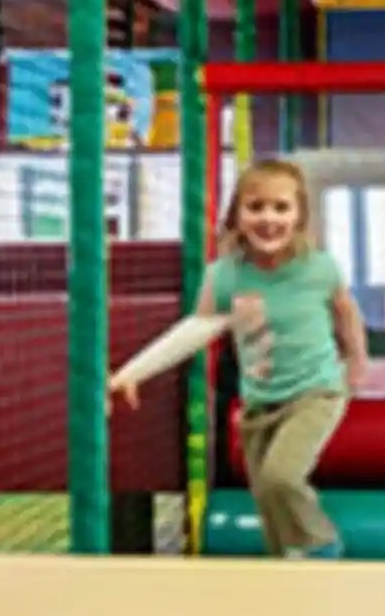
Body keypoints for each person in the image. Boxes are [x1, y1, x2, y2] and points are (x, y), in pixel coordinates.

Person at [108, 159, 367, 559]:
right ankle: (289, 564)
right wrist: (133, 372)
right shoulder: (225, 275)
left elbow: (345, 312)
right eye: (256, 207)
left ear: (299, 216)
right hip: (260, 400)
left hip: (315, 392)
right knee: (264, 493)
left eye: (281, 208)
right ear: (237, 214)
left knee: (281, 477)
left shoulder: (319, 268)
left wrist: (357, 362)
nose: (268, 219)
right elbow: (197, 327)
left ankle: (321, 544)